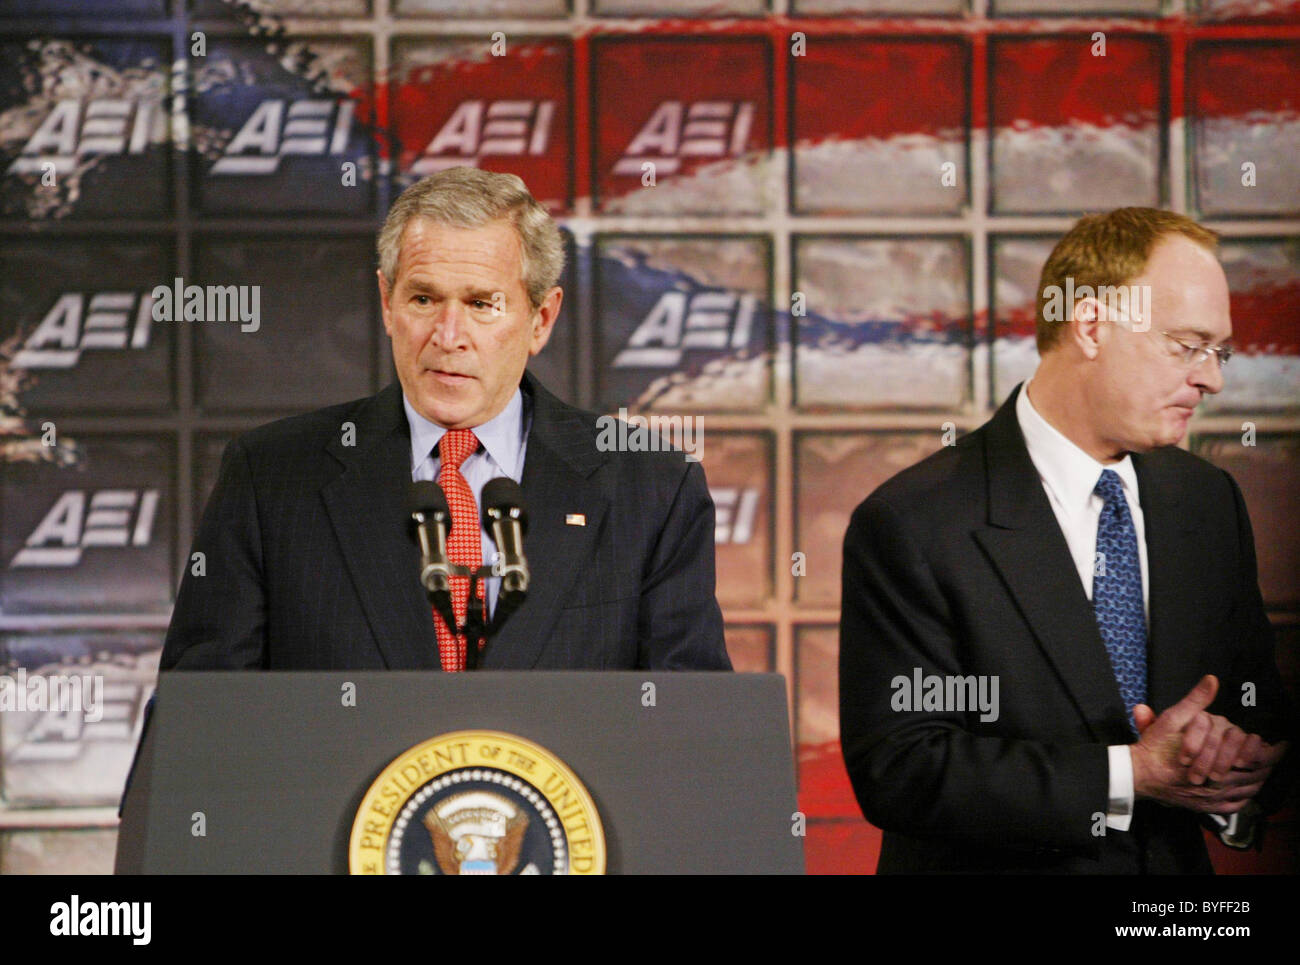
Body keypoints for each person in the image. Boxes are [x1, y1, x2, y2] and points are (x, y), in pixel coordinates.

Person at [839, 208, 1295, 873]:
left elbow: (1258, 715)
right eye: (1186, 344)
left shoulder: (1207, 501)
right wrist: (1129, 774)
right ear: (1090, 325)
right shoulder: (915, 520)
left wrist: (1237, 777)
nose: (1212, 379)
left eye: (1219, 351)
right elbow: (903, 767)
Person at [161, 167, 729, 672]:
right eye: (424, 299)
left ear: (541, 318)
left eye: (482, 304)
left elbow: (686, 735)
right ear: (387, 303)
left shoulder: (652, 489)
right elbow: (204, 728)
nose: (448, 337)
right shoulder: (271, 478)